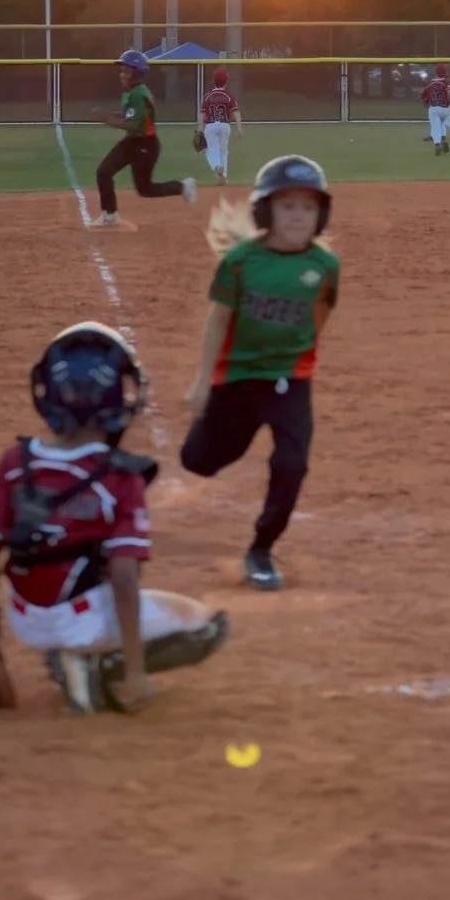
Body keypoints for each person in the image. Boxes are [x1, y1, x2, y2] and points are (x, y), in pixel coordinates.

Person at [0, 322, 228, 718]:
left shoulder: (14, 463)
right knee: (208, 625)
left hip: (25, 618)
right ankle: (96, 667)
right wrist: (135, 670)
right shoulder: (121, 476)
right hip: (84, 621)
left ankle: (75, 660)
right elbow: (124, 578)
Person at [180, 156, 339, 591]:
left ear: (320, 216)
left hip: (290, 380)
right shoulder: (240, 262)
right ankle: (206, 441)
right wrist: (202, 381)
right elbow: (217, 320)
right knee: (200, 460)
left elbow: (319, 314)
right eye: (287, 206)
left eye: (308, 208)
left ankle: (261, 549)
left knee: (292, 463)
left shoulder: (325, 267)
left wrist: (297, 357)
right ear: (266, 212)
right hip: (238, 379)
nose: (298, 216)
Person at [90, 50, 197, 227]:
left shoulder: (139, 94)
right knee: (104, 171)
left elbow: (136, 125)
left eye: (126, 71)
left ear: (137, 74)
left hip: (145, 145)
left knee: (145, 189)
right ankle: (110, 215)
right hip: (133, 142)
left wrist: (108, 120)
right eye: (122, 70)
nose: (122, 75)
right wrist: (109, 114)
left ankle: (183, 186)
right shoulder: (130, 91)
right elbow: (128, 114)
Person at [197, 67, 244, 186]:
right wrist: (239, 128)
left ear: (213, 81)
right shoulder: (228, 96)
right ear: (227, 81)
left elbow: (201, 114)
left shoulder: (207, 96)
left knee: (211, 150)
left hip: (211, 125)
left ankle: (217, 167)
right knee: (224, 151)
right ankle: (224, 177)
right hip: (225, 125)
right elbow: (236, 112)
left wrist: (199, 130)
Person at [421, 64, 450, 155]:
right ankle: (443, 139)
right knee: (442, 123)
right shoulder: (445, 82)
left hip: (434, 108)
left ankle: (437, 144)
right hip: (445, 109)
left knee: (435, 127)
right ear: (445, 73)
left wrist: (425, 104)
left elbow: (423, 98)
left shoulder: (429, 84)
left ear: (435, 72)